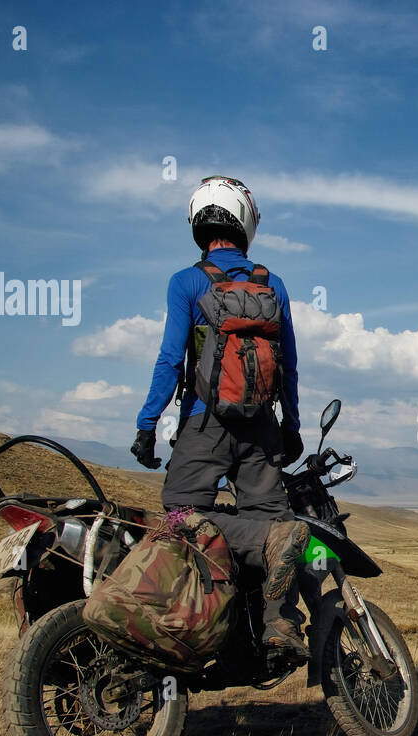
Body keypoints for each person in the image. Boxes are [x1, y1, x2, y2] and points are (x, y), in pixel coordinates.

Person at [130, 175, 310, 663]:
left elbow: (170, 360)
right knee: (273, 521)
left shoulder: (186, 281)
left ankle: (201, 624)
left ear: (199, 224)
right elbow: (289, 364)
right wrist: (290, 427)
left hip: (203, 422)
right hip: (261, 430)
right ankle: (276, 622)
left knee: (179, 517)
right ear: (246, 222)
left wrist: (148, 425)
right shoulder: (272, 284)